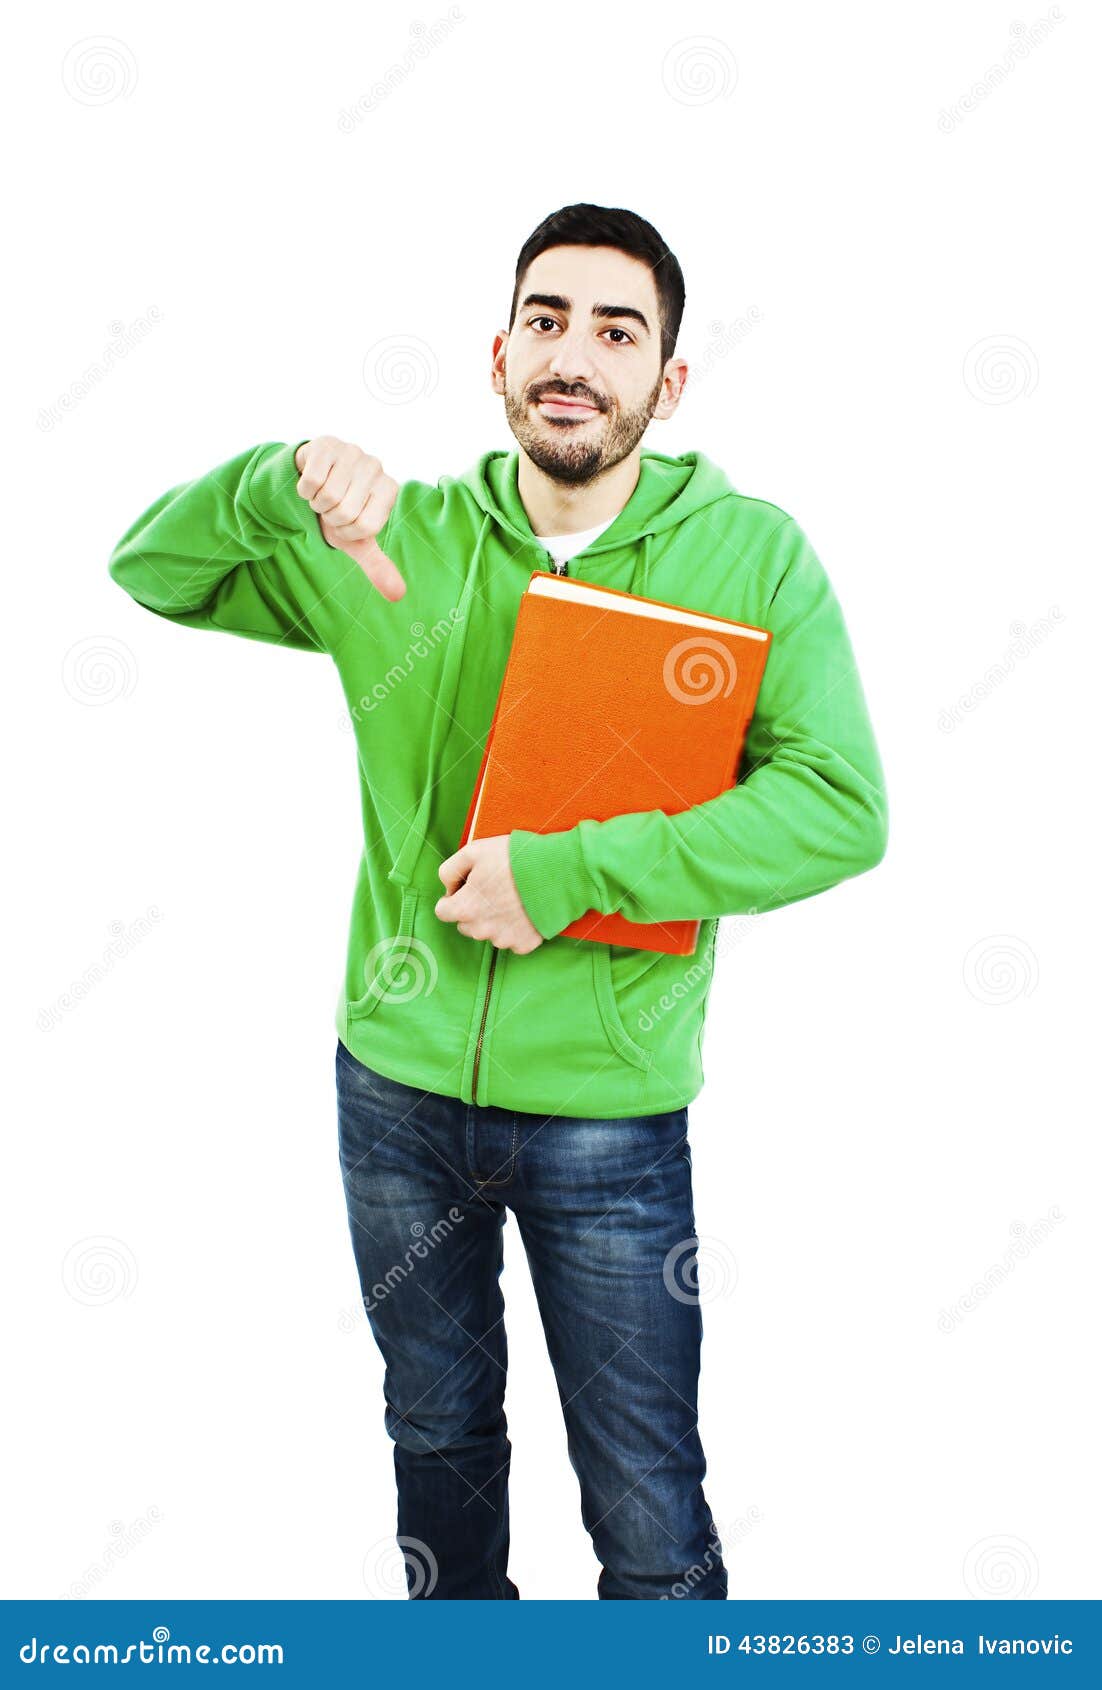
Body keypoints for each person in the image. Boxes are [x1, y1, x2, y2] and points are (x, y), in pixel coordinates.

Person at [107, 202, 888, 1600]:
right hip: (392, 1095)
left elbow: (840, 807)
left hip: (608, 1117)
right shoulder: (389, 539)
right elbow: (149, 568)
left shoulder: (754, 557)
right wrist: (278, 482)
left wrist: (567, 873)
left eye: (616, 331)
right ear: (498, 355)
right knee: (437, 1448)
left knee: (646, 1506)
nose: (573, 356)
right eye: (545, 320)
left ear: (669, 382)